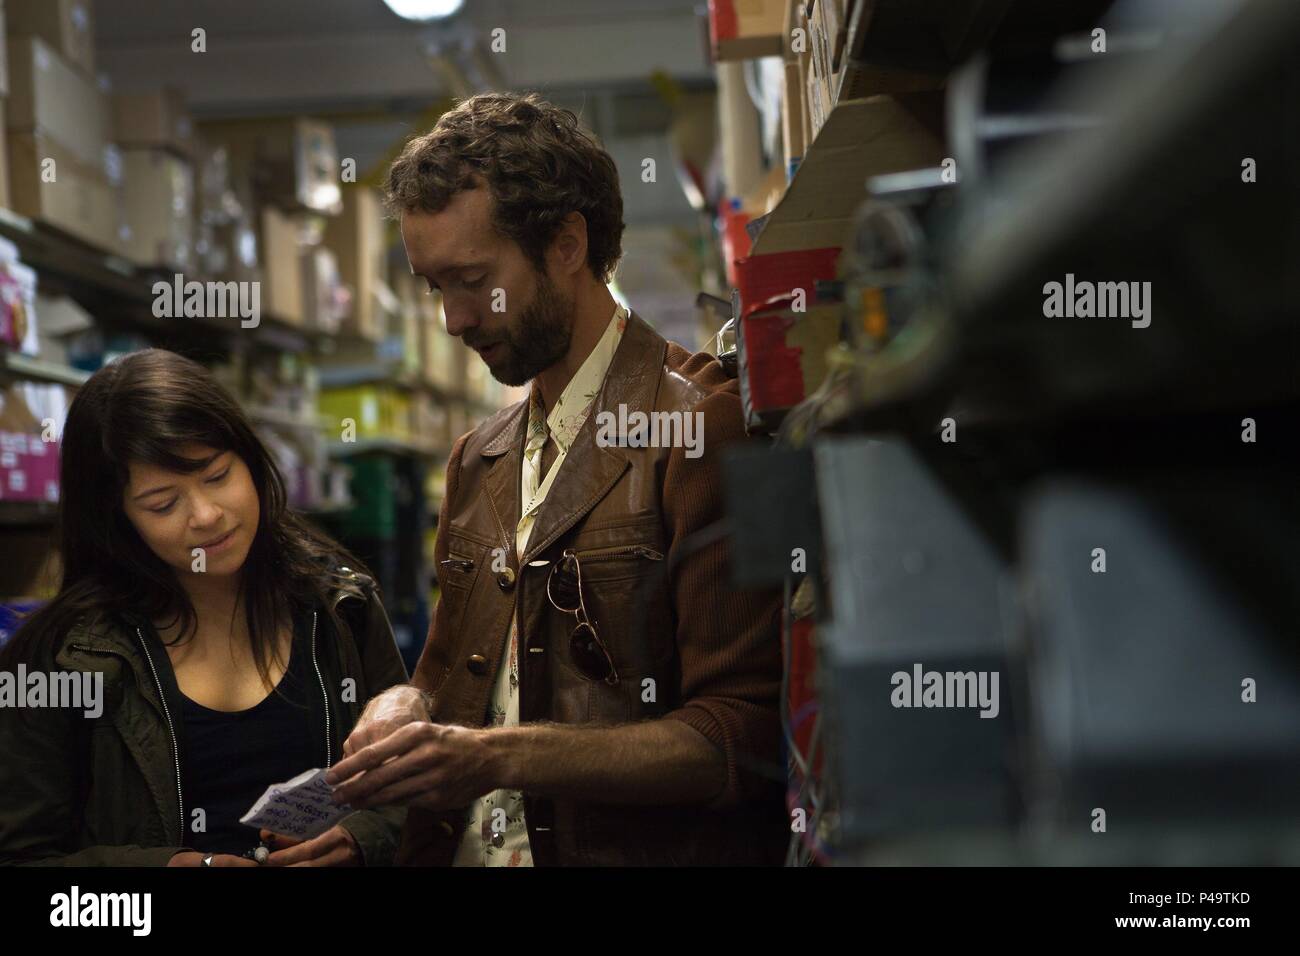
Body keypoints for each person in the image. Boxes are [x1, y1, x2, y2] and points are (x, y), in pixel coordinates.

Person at [326, 91, 786, 865]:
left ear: (567, 244)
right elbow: (444, 676)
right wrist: (404, 705)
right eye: (436, 286)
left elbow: (737, 735)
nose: (453, 320)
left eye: (472, 279)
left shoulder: (700, 431)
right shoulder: (481, 457)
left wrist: (500, 756)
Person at [0, 349, 407, 866]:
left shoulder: (340, 607)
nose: (207, 515)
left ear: (251, 461)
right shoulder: (62, 659)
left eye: (217, 476)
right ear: (117, 518)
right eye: (163, 504)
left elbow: (416, 789)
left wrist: (360, 840)